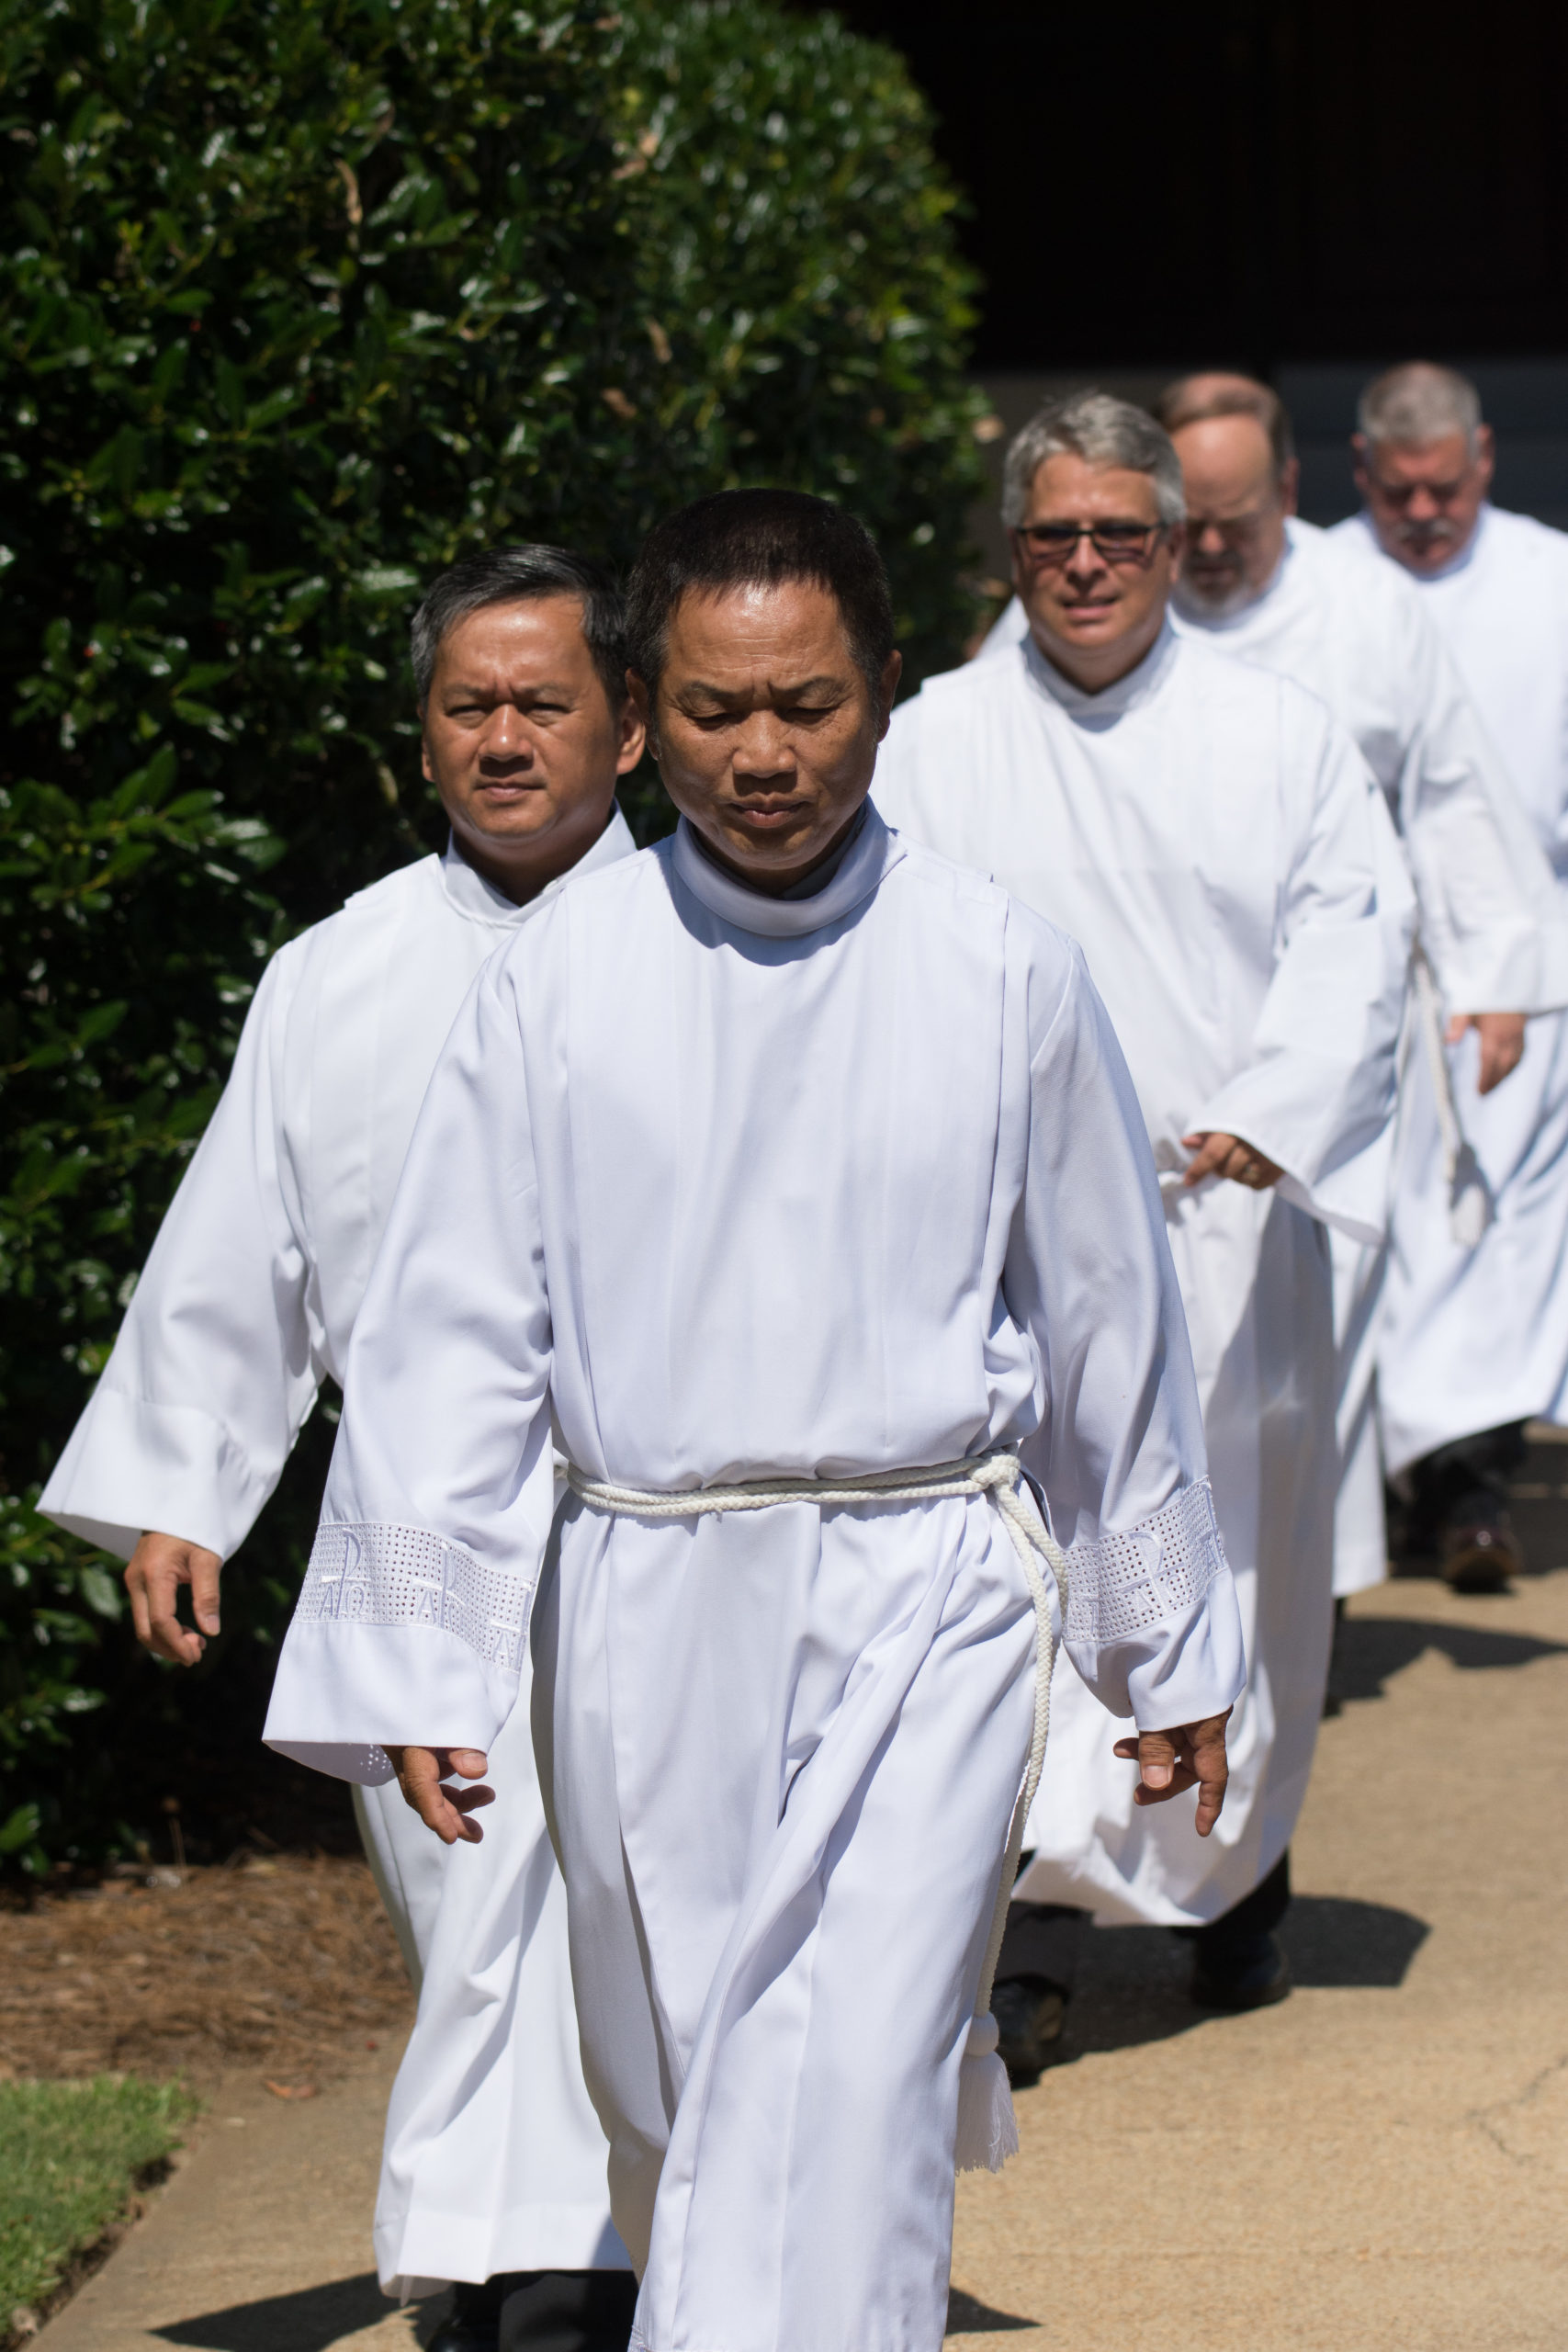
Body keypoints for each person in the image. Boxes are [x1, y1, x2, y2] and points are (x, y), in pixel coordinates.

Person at [259, 489, 1246, 2352]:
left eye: (807, 703)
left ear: (883, 688)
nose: (764, 756)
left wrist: (1165, 1636)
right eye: (715, 711)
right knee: (682, 2091)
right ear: (645, 708)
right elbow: (452, 1336)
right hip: (641, 1601)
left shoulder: (1000, 968)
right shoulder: (556, 978)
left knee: (858, 2085)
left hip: (926, 1591)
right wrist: (417, 1643)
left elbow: (1108, 1325)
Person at [39, 548, 648, 2352]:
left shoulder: (723, 941)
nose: (505, 736)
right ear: (422, 737)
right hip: (423, 1543)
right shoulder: (337, 973)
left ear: (623, 726)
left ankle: (566, 2268)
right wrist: (179, 1485)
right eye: (469, 704)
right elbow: (248, 1249)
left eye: (544, 700)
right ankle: (494, 2272)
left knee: (626, 1910)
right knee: (472, 1914)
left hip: (658, 1529)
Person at [874, 392, 1403, 2052]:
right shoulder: (931, 743)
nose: (1087, 564)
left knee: (1233, 1561)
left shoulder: (1280, 732)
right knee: (1026, 1572)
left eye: (1121, 534)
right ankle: (1028, 1914)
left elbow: (1354, 940)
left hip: (1227, 1229)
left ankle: (1234, 1875)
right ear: (1010, 551)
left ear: (1177, 543)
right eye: (1054, 538)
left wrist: (1275, 1106)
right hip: (1005, 1251)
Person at [981, 374, 1562, 1602]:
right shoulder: (1030, 657)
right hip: (1114, 1055)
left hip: (1323, 1027)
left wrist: (1494, 974)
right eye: (1208, 518)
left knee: (1326, 1310)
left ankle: (1308, 1573)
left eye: (1243, 520)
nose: (1228, 548)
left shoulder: (1365, 612)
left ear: (1282, 496)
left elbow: (1454, 790)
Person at [1330, 362, 1568, 1582]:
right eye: (1402, 492)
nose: (1426, 513)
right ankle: (1383, 1487)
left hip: (1523, 966)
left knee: (1490, 1235)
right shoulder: (1326, 585)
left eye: (1447, 489)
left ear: (1483, 458)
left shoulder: (1551, 579)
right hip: (1358, 963)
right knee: (1378, 1234)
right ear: (1363, 472)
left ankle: (1473, 1488)